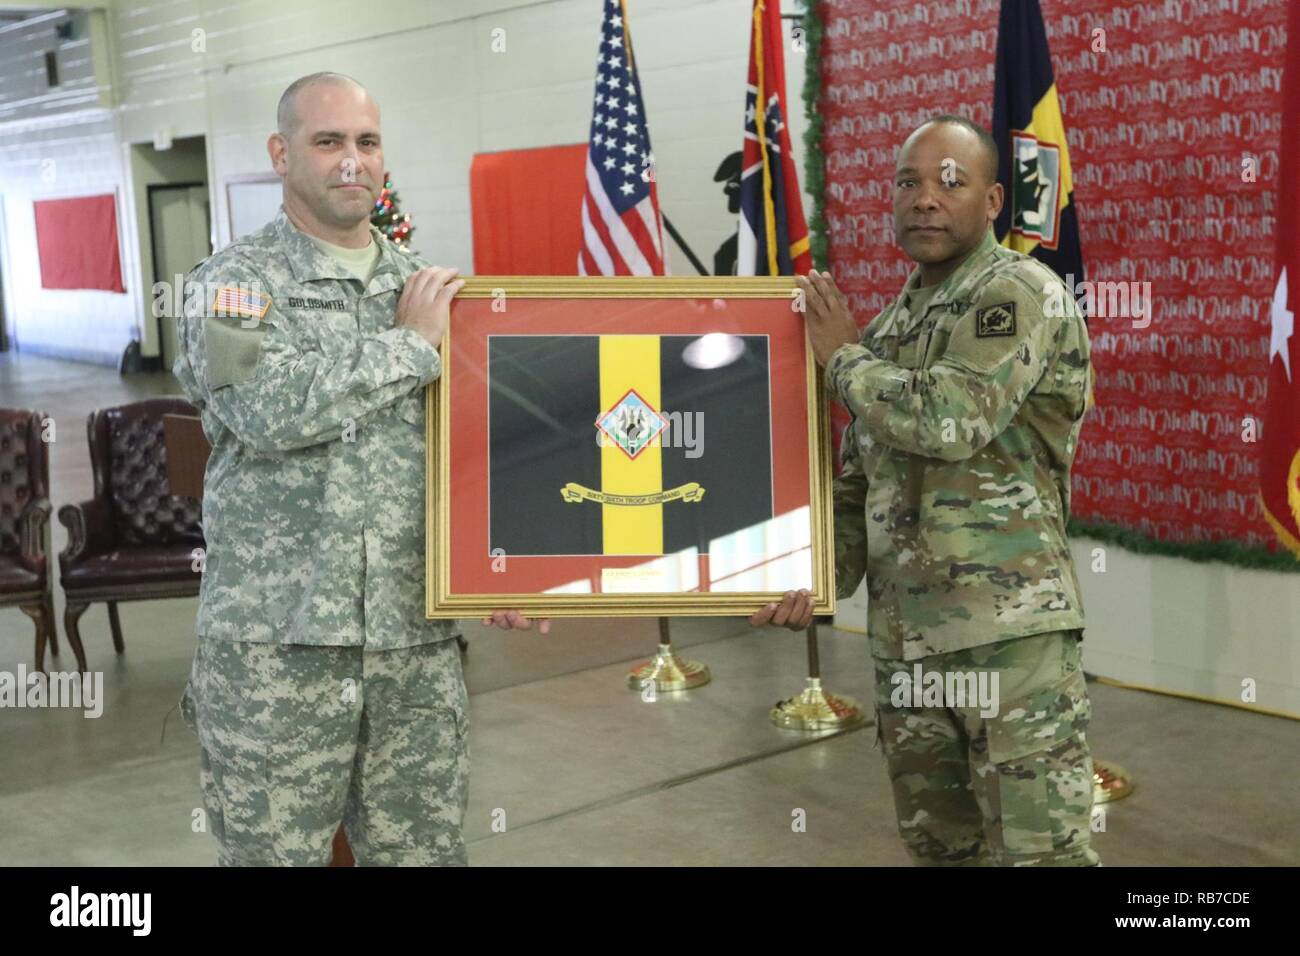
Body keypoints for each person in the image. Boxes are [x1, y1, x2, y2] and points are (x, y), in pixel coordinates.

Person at [173, 71, 545, 866]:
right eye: (329, 141)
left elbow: (476, 454)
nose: (353, 161)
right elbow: (263, 412)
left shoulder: (427, 288)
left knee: (423, 856)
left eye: (367, 142)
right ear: (282, 153)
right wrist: (407, 348)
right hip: (278, 652)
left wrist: (506, 568)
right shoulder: (235, 285)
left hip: (413, 648)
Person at [753, 115, 1097, 866]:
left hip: (1006, 643)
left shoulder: (1019, 294)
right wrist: (805, 579)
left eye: (950, 181)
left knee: (1042, 855)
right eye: (908, 182)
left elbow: (949, 419)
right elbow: (855, 486)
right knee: (943, 850)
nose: (925, 199)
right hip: (907, 650)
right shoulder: (883, 331)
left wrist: (840, 357)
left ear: (994, 198)